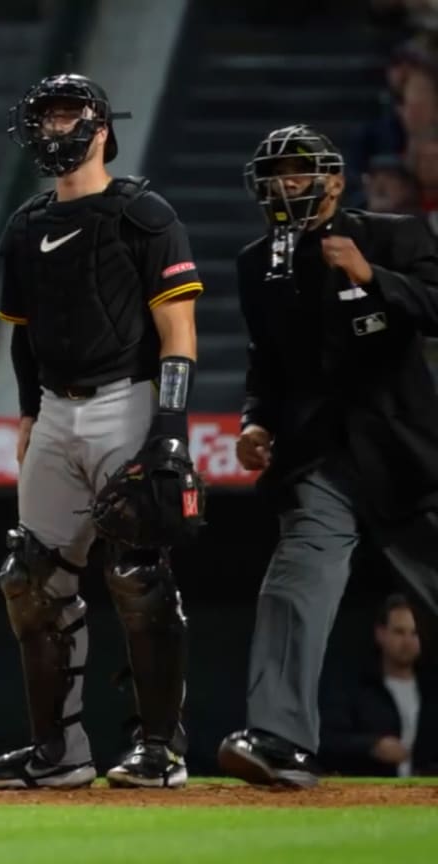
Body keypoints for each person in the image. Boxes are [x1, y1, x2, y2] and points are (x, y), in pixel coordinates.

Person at [0, 74, 204, 791]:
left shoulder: (145, 213)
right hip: (53, 407)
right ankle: (58, 753)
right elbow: (21, 336)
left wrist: (168, 428)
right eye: (43, 117)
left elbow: (179, 331)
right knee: (31, 580)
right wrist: (26, 412)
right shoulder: (25, 225)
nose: (52, 128)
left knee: (138, 576)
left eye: (66, 114)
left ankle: (160, 748)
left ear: (101, 125)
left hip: (126, 401)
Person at [217, 125, 438, 789]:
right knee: (295, 583)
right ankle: (281, 741)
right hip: (321, 460)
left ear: (336, 181)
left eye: (300, 170)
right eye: (277, 173)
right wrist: (257, 421)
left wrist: (374, 278)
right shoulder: (257, 264)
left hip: (406, 456)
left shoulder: (395, 236)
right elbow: (268, 366)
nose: (288, 184)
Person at [321, 594, 434, 777]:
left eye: (414, 633)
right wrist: (372, 746)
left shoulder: (431, 691)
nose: (407, 641)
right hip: (372, 793)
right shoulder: (355, 688)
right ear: (381, 633)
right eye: (399, 632)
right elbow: (328, 739)